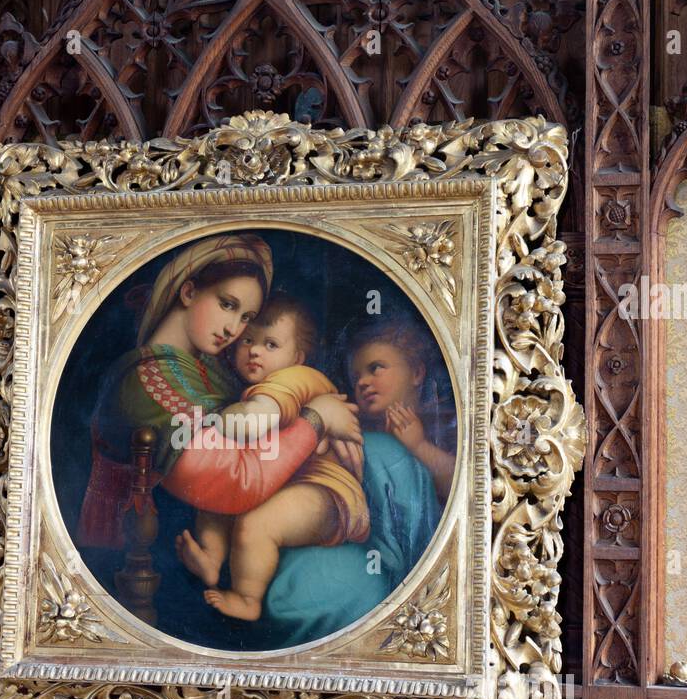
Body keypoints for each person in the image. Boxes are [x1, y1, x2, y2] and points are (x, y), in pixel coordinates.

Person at [78, 233, 362, 554]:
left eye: (246, 318)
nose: (233, 330)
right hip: (128, 556)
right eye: (227, 305)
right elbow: (239, 482)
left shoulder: (210, 366)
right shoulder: (147, 382)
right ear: (188, 291)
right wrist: (317, 418)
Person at [175, 293, 370, 620]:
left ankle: (248, 599)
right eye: (248, 340)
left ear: (298, 357)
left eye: (270, 345)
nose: (254, 350)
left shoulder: (292, 380)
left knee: (256, 524)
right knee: (217, 491)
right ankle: (211, 556)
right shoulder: (264, 385)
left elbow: (254, 422)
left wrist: (212, 421)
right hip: (278, 484)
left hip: (325, 494)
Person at [346, 317, 456, 503]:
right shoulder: (358, 433)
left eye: (375, 368)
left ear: (416, 373)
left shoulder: (442, 422)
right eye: (356, 377)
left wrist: (419, 446)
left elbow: (462, 483)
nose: (362, 382)